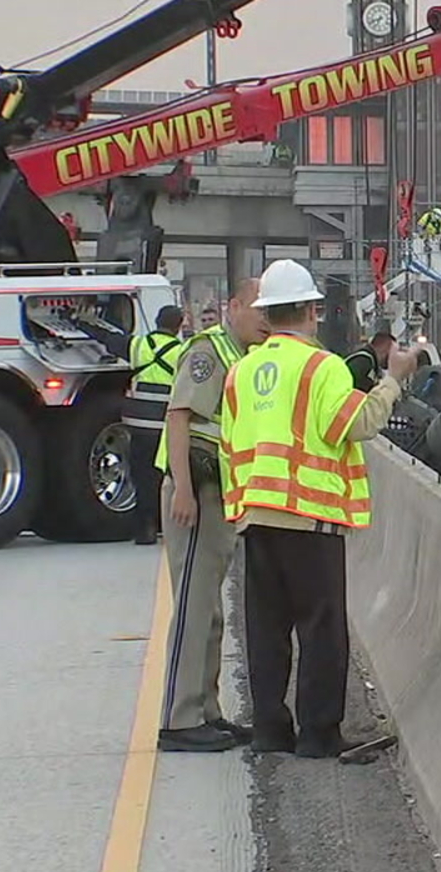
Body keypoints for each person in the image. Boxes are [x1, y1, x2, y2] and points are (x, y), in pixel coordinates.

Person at [220, 259, 419, 757]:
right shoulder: (322, 367)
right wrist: (393, 379)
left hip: (256, 516)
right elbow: (358, 423)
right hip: (310, 517)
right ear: (312, 310)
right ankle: (318, 734)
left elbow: (229, 444)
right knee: (321, 627)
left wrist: (239, 508)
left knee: (267, 629)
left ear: (267, 314)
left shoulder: (241, 371)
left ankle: (269, 730)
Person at [155, 279, 270, 752]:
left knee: (211, 610)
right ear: (234, 307)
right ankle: (179, 721)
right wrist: (182, 487)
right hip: (196, 491)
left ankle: (206, 710)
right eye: (257, 309)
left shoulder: (243, 358)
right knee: (193, 607)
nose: (265, 319)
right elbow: (179, 415)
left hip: (218, 494)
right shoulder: (210, 353)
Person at [123, 305, 186, 545]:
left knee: (142, 476)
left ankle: (144, 529)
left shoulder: (138, 345)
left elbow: (111, 340)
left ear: (156, 320)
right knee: (164, 476)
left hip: (138, 423)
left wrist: (80, 324)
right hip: (165, 425)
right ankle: (165, 526)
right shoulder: (182, 352)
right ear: (179, 326)